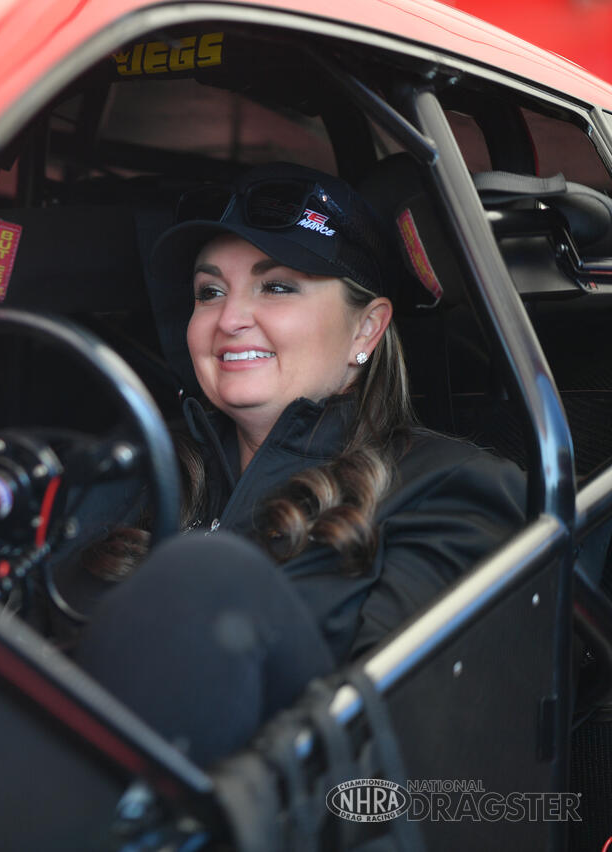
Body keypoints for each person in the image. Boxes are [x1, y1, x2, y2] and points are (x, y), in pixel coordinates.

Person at [73, 162, 527, 768]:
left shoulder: (451, 488)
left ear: (367, 328)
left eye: (277, 285)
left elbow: (400, 750)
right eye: (209, 292)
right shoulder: (133, 467)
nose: (229, 319)